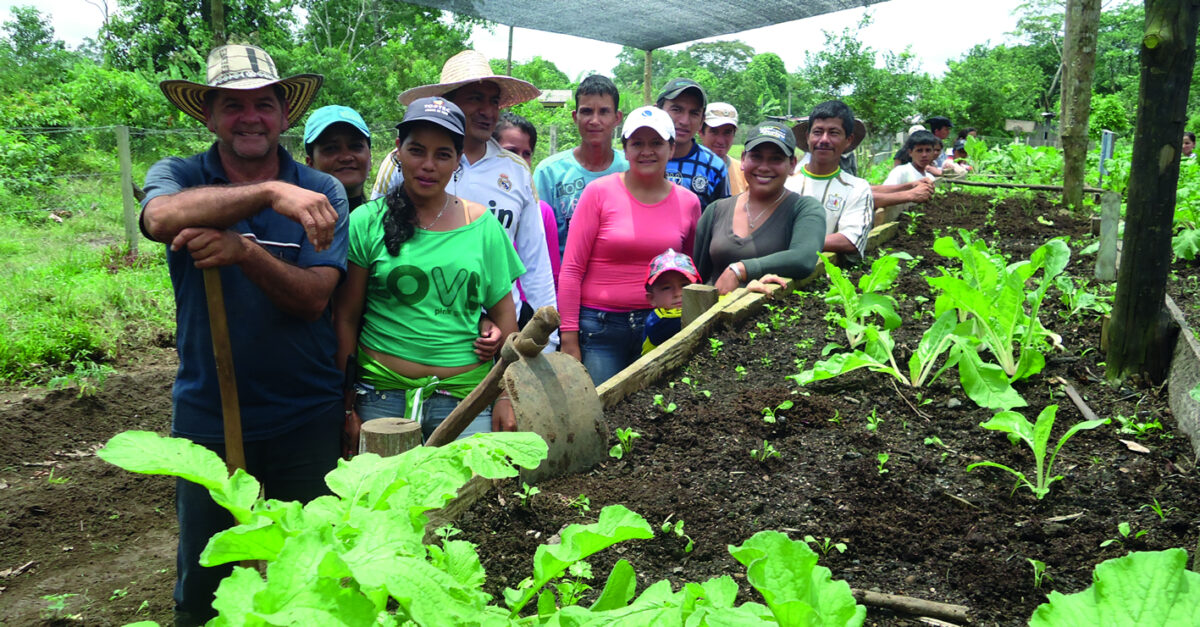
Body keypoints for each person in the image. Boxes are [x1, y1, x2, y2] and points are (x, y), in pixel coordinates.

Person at [140, 44, 345, 626]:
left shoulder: (321, 191)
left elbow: (313, 299)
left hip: (305, 413)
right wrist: (268, 194)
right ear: (209, 116)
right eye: (233, 105)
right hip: (208, 413)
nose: (250, 117)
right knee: (209, 581)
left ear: (285, 114)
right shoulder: (179, 176)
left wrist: (242, 252)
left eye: (263, 104)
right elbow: (159, 218)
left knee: (307, 576)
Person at [335, 97, 524, 446]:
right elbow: (346, 317)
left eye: (443, 155)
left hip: (467, 402)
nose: (428, 165)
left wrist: (505, 396)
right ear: (398, 150)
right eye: (417, 150)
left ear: (457, 160)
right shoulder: (366, 222)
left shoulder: (483, 226)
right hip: (381, 399)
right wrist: (346, 406)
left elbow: (505, 318)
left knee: (471, 484)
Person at [371, 50, 558, 346]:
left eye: (493, 101)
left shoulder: (516, 170)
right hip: (417, 325)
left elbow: (535, 262)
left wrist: (548, 341)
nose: (487, 111)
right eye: (475, 98)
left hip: (500, 331)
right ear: (448, 102)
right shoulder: (401, 162)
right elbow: (375, 241)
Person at [559, 106, 701, 385]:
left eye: (656, 143)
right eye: (637, 143)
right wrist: (569, 338)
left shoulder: (689, 203)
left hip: (662, 325)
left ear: (672, 148)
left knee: (657, 406)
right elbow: (572, 269)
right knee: (602, 407)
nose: (646, 151)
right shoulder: (598, 193)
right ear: (625, 150)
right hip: (600, 328)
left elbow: (691, 273)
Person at [694, 122, 824, 294]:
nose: (764, 167)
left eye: (776, 159)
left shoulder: (804, 209)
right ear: (743, 159)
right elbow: (697, 278)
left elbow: (803, 258)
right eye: (756, 157)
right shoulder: (716, 211)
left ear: (792, 164)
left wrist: (740, 270)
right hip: (714, 307)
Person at [534, 75, 628, 258]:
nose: (594, 120)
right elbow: (537, 238)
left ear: (617, 118)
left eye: (604, 112)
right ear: (575, 117)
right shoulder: (549, 173)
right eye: (586, 112)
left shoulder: (630, 168)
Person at [785, 100, 874, 264]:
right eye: (817, 132)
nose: (824, 139)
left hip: (827, 276)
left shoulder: (857, 188)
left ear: (848, 140)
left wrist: (795, 243)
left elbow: (851, 240)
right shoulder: (785, 182)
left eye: (834, 133)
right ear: (808, 137)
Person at [494, 112, 562, 291]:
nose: (519, 160)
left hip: (527, 304)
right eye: (511, 152)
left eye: (526, 154)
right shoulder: (472, 204)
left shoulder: (542, 212)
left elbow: (550, 274)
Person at [656, 77, 728, 210]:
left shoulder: (714, 167)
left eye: (694, 113)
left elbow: (723, 218)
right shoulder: (640, 159)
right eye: (676, 110)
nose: (684, 121)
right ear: (657, 111)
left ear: (702, 121)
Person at [303, 105, 372, 211]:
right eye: (331, 148)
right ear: (310, 163)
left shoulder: (386, 217)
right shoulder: (294, 219)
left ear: (370, 159)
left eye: (355, 146)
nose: (346, 157)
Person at [641, 249, 700, 354]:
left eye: (684, 285)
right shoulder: (659, 321)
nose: (678, 293)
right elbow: (682, 320)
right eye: (666, 288)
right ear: (652, 299)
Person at [700, 102, 746, 195]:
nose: (720, 141)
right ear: (701, 131)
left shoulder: (743, 172)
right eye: (714, 132)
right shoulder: (688, 168)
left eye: (727, 132)